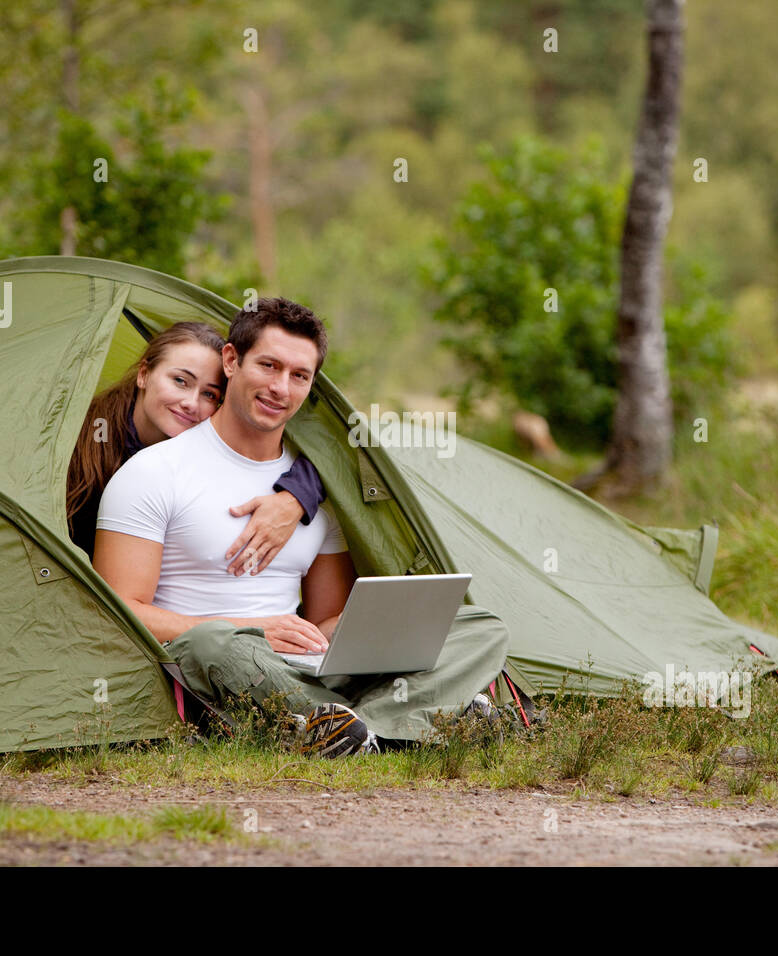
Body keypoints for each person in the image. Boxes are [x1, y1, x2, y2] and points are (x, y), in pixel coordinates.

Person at [93, 298, 509, 757]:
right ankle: (407, 721)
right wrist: (251, 630)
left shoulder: (319, 491)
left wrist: (364, 630)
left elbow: (322, 619)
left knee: (480, 625)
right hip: (222, 663)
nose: (280, 388)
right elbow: (120, 609)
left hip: (306, 667)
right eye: (268, 366)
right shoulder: (154, 472)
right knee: (213, 644)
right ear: (231, 361)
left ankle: (352, 729)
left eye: (299, 376)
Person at [65, 321, 325, 572]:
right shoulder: (84, 443)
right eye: (180, 381)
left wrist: (296, 496)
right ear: (144, 375)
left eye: (209, 394)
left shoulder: (198, 463)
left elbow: (332, 456)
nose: (191, 403)